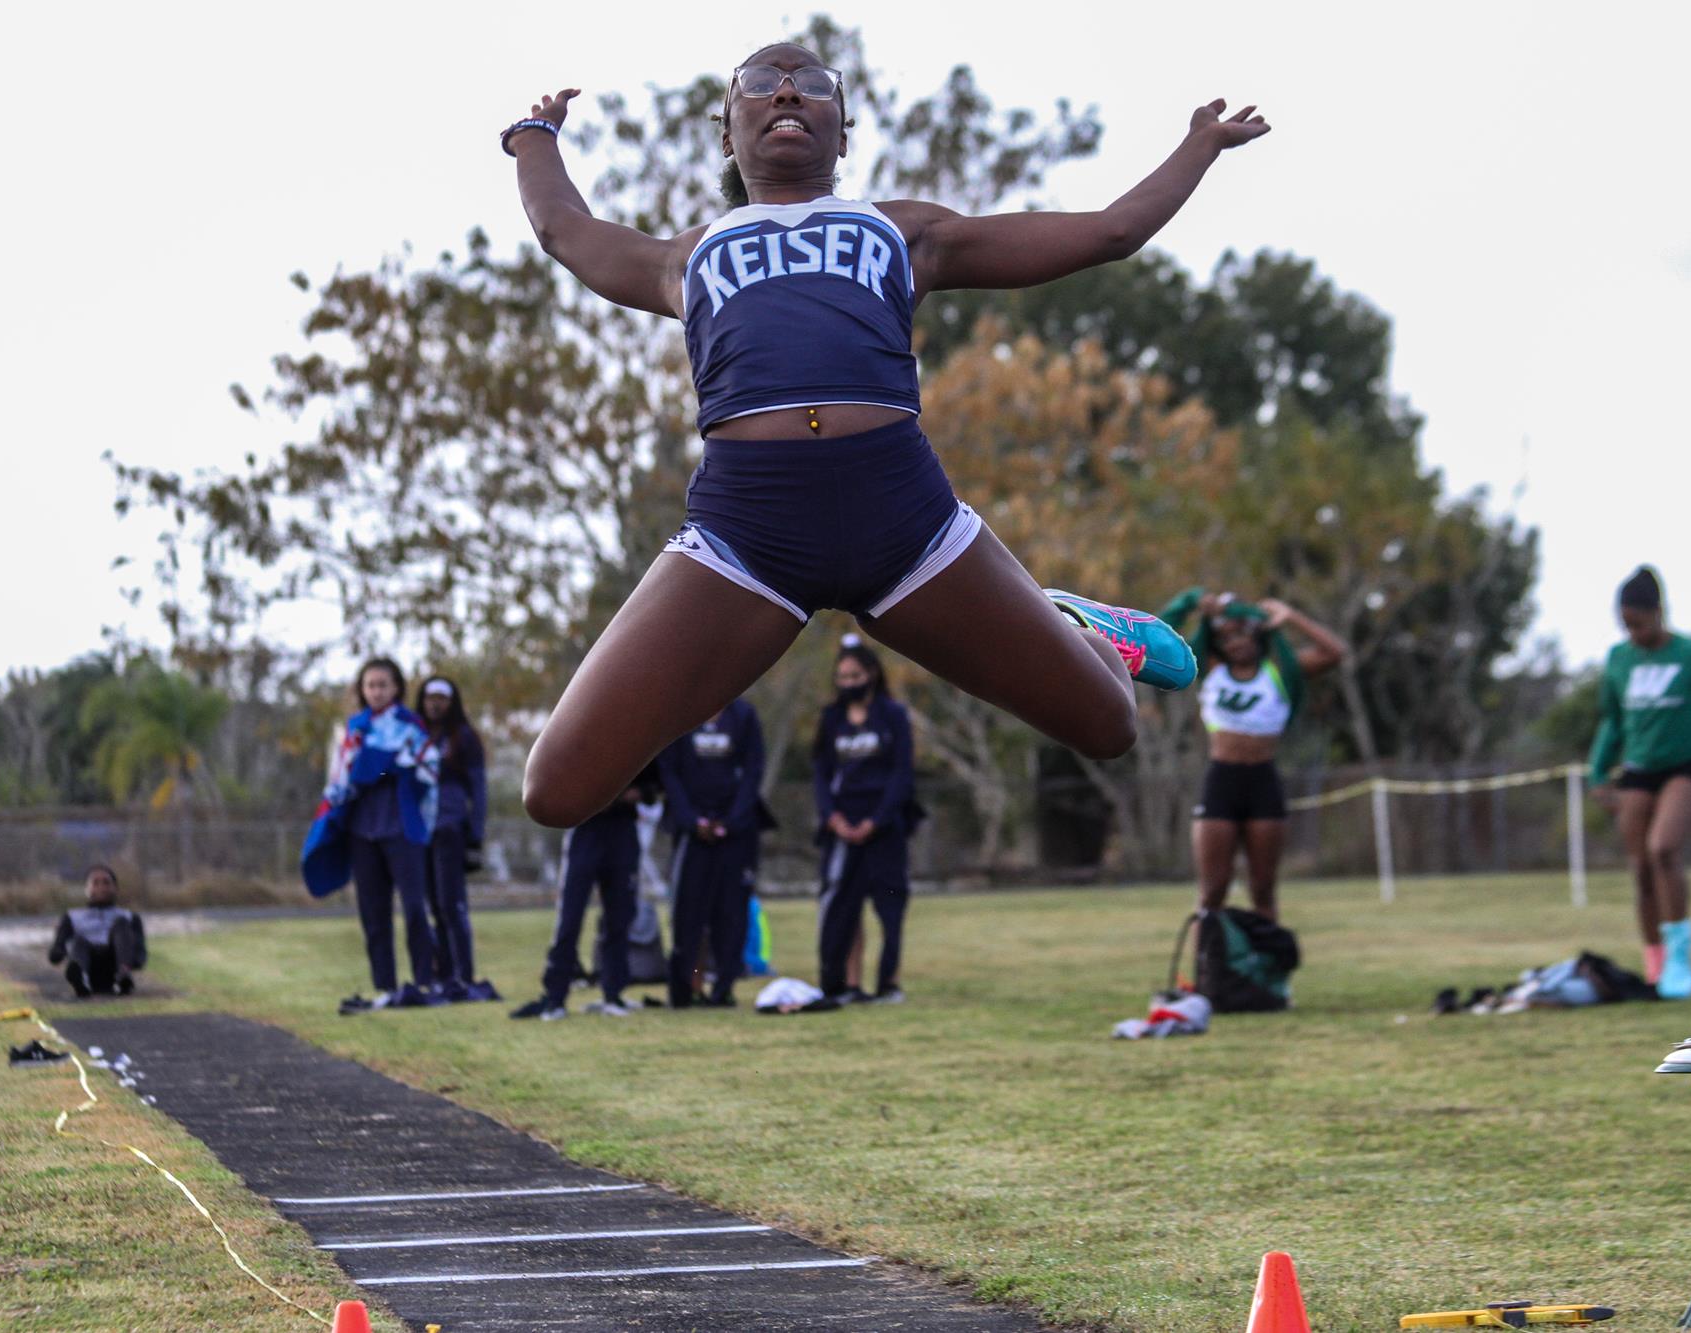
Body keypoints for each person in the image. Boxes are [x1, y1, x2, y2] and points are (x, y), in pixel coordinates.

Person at [501, 43, 1266, 830]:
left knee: (1109, 724)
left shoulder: (904, 232)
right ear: (728, 133)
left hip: (905, 521)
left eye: (814, 87)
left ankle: (1075, 624)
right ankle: (1049, 617)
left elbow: (1109, 232)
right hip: (746, 532)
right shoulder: (686, 256)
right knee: (555, 790)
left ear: (845, 132)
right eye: (761, 84)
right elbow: (564, 229)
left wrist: (1198, 146)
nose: (787, 94)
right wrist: (533, 134)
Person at [1588, 566, 1691, 1000]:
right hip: (1637, 771)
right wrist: (1597, 771)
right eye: (1625, 625)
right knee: (1641, 869)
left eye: (1638, 623)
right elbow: (1614, 721)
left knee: (1663, 849)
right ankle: (1655, 964)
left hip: (1684, 768)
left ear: (1659, 613)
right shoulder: (1618, 660)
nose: (1634, 633)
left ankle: (1681, 959)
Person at [1159, 589, 1346, 921]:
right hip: (1222, 780)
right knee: (1212, 891)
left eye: (1244, 633)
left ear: (1259, 635)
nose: (1237, 642)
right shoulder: (1211, 668)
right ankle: (1208, 969)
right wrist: (1192, 605)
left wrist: (1291, 616)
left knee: (1263, 890)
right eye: (1227, 636)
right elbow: (1160, 639)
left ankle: (1264, 968)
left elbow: (1335, 652)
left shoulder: (1279, 671)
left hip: (1263, 781)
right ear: (1218, 642)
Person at [328, 658, 443, 1013]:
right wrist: (374, 768)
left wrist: (384, 766)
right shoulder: (353, 730)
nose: (376, 691)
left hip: (402, 829)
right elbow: (339, 780)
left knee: (413, 908)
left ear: (396, 688)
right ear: (361, 690)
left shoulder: (412, 728)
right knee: (373, 912)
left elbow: (428, 767)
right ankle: (386, 987)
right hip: (363, 831)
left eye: (383, 684)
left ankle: (424, 981)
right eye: (370, 685)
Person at [809, 638, 917, 1007]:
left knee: (889, 907)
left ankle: (889, 983)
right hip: (841, 829)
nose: (847, 682)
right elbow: (821, 775)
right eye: (841, 676)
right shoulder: (831, 720)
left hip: (884, 828)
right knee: (845, 908)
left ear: (871, 674)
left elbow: (902, 774)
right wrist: (833, 818)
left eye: (854, 675)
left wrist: (877, 820)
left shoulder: (893, 715)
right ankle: (850, 983)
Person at [511, 764, 663, 1021]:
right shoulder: (584, 732)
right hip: (585, 830)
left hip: (622, 831)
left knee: (620, 917)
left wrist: (630, 794)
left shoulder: (634, 737)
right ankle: (555, 996)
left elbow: (656, 784)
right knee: (569, 917)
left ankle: (613, 993)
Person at [658, 696, 771, 1007]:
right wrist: (693, 821)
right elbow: (669, 772)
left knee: (730, 915)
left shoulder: (744, 715)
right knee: (689, 917)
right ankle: (687, 986)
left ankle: (723, 988)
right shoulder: (680, 713)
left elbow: (753, 769)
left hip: (734, 833)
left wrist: (732, 821)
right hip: (692, 833)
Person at [416, 675, 500, 1002]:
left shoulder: (464, 738)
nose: (435, 704)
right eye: (430, 698)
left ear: (452, 703)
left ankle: (464, 975)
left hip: (450, 829)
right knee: (432, 905)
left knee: (452, 904)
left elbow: (478, 789)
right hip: (419, 831)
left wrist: (475, 836)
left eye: (442, 698)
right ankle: (442, 973)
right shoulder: (416, 737)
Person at [46, 864, 147, 998]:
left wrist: (135, 960)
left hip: (115, 964)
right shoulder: (71, 916)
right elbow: (56, 951)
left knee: (121, 923)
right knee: (78, 939)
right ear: (87, 889)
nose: (101, 888)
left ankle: (123, 977)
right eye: (95, 883)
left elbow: (140, 953)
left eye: (106, 883)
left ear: (115, 888)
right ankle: (81, 980)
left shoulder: (130, 917)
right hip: (86, 963)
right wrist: (59, 952)